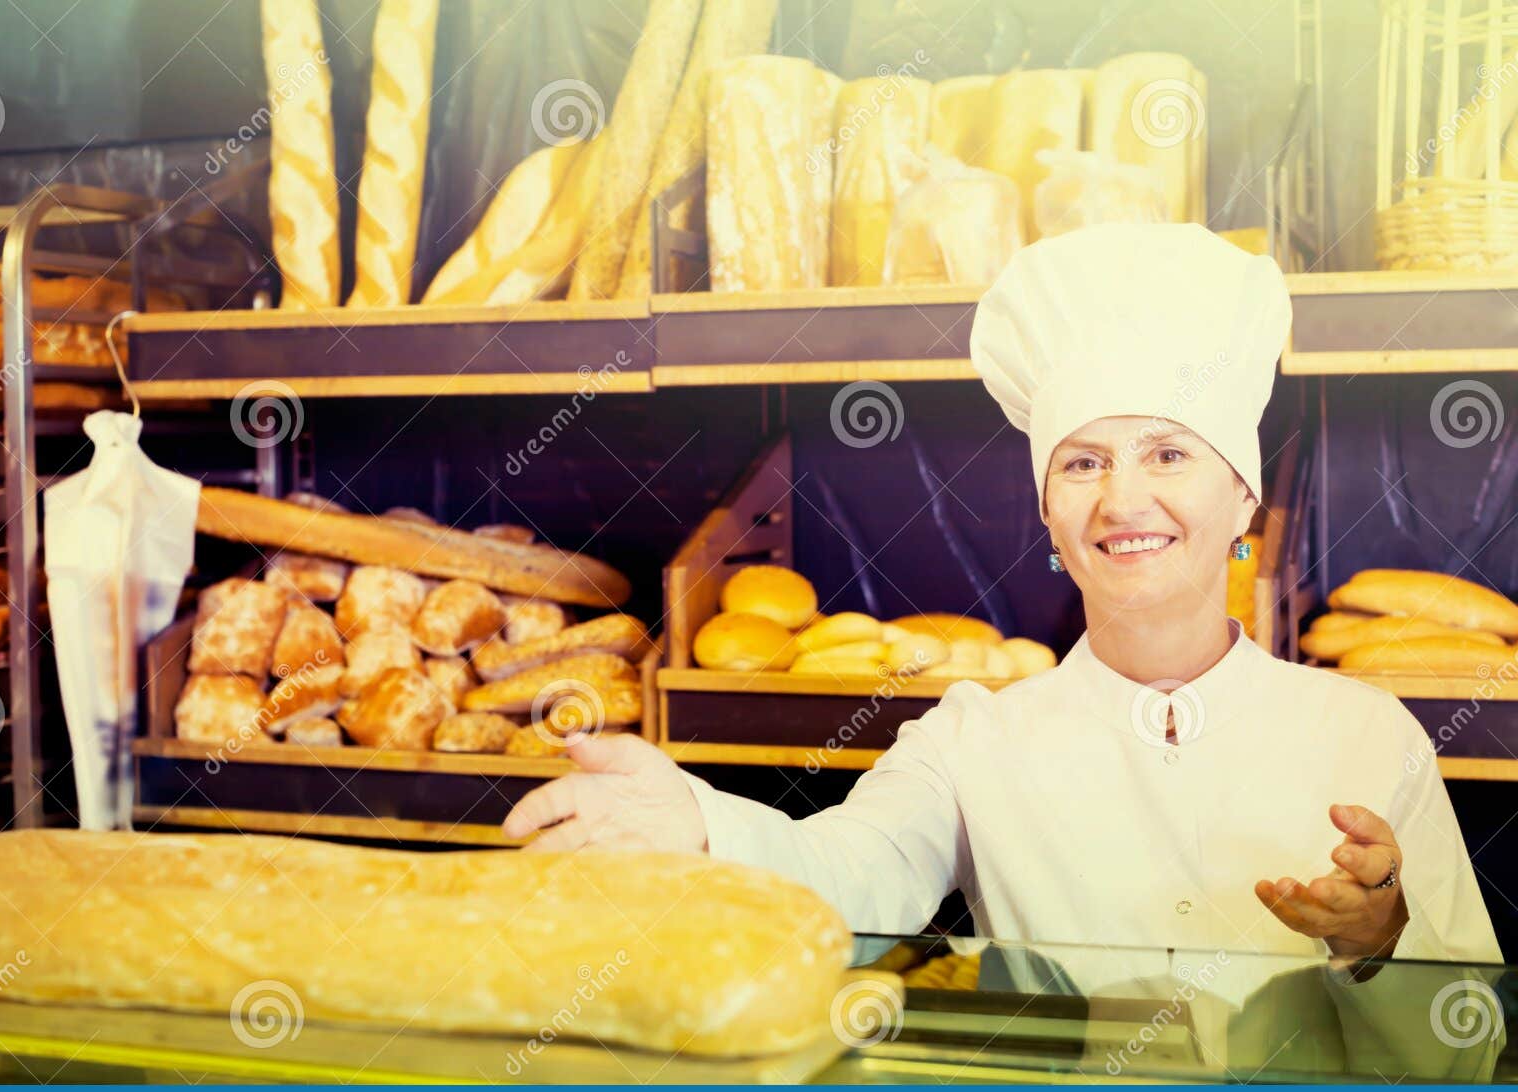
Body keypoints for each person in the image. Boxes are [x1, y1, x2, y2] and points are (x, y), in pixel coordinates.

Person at [504, 223, 1503, 965]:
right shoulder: (970, 738)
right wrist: (702, 824)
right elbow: (848, 871)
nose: (1123, 498)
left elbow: (1462, 1057)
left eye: (1166, 453)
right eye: (1081, 462)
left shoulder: (1368, 734)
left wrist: (1380, 935)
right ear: (1047, 510)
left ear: (1241, 493)